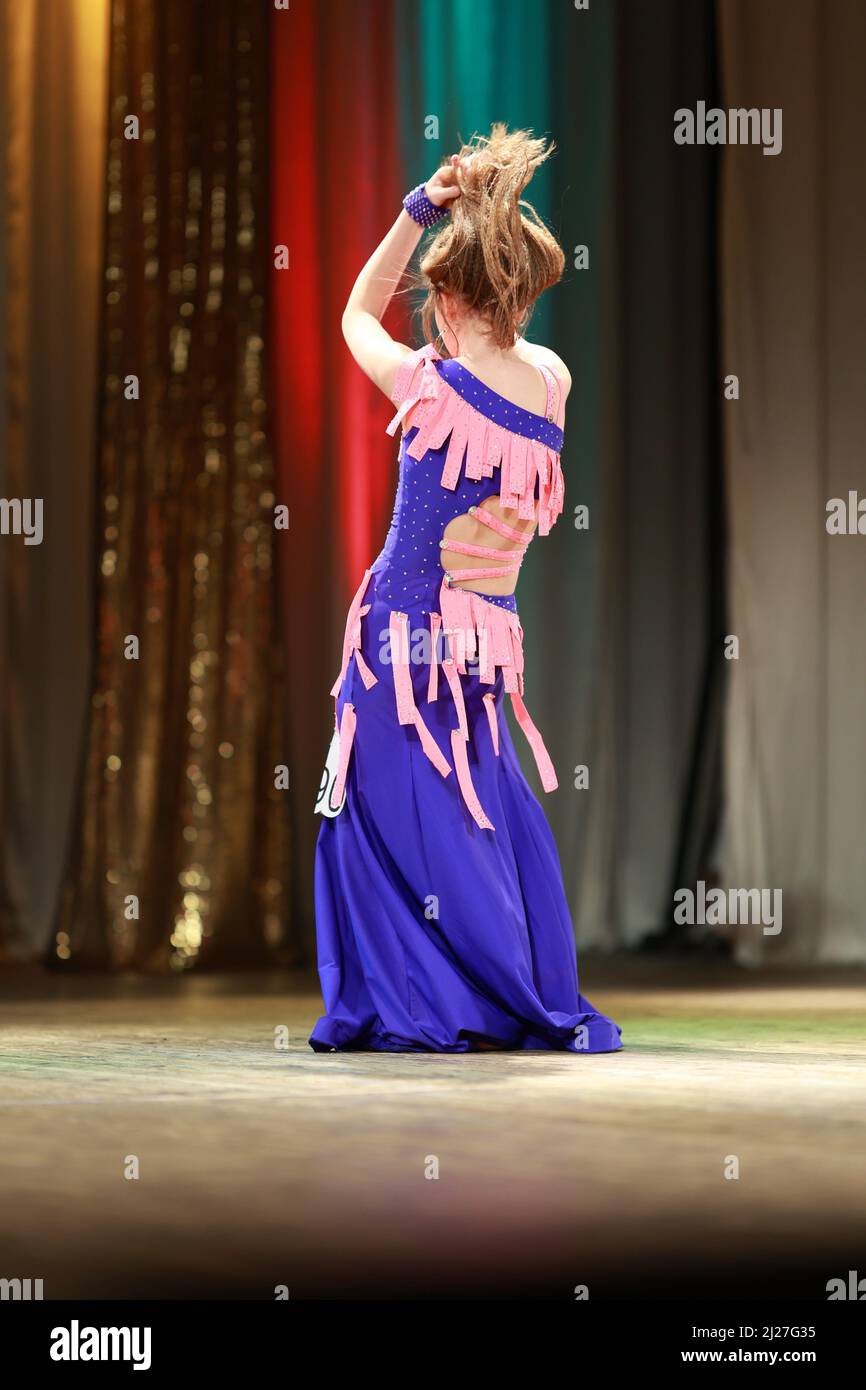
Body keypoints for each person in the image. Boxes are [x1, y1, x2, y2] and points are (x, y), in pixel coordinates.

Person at [310, 124, 622, 1055]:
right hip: (483, 637)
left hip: (402, 638)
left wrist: (421, 205)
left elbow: (355, 313)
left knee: (388, 815)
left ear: (446, 296)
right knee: (474, 799)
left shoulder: (430, 385)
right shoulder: (552, 382)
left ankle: (439, 997)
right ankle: (503, 983)